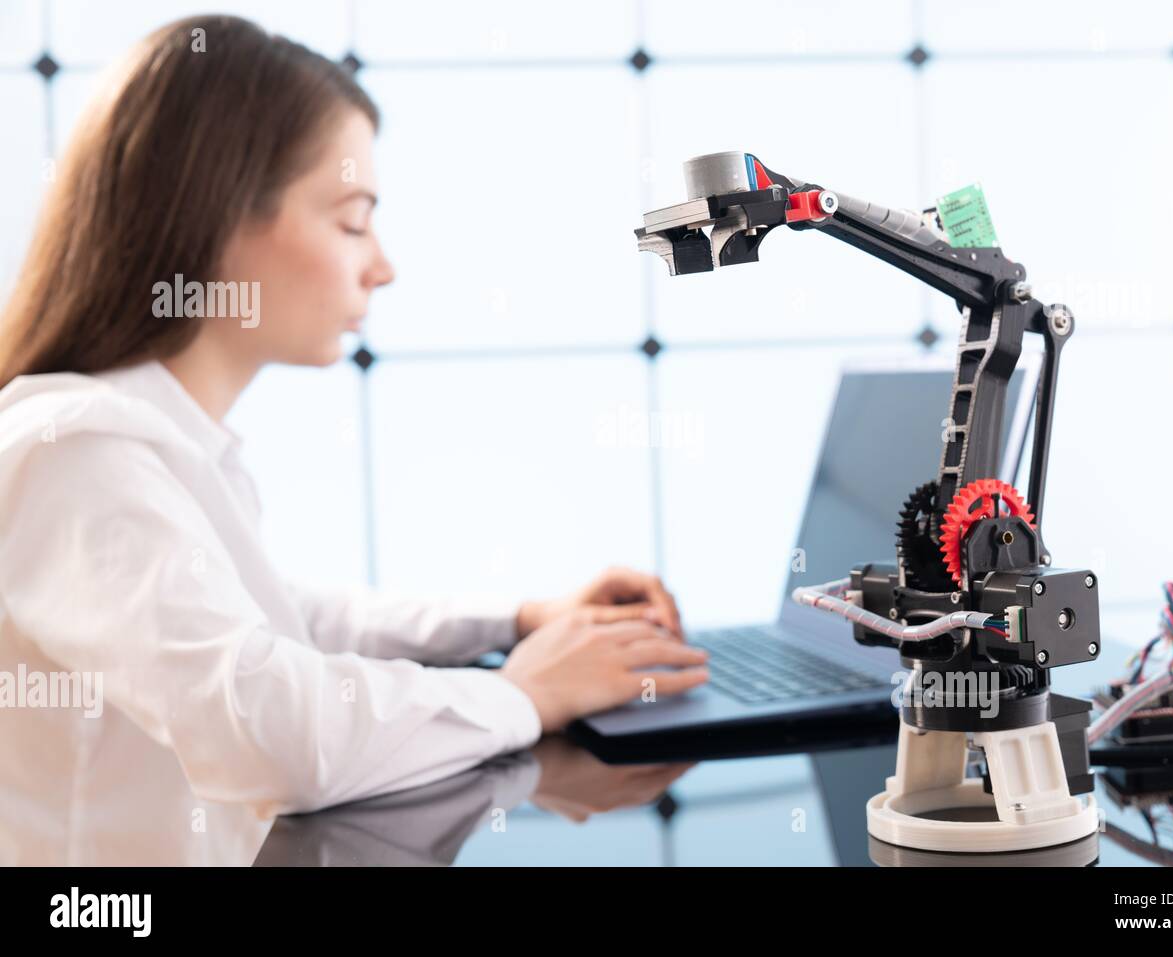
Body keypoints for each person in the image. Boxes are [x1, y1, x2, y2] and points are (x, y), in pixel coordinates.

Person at [0, 15, 708, 865]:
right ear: (218, 213)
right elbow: (266, 727)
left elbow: (293, 620)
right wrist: (523, 693)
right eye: (351, 219)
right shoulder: (76, 450)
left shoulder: (152, 444)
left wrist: (518, 619)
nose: (382, 265)